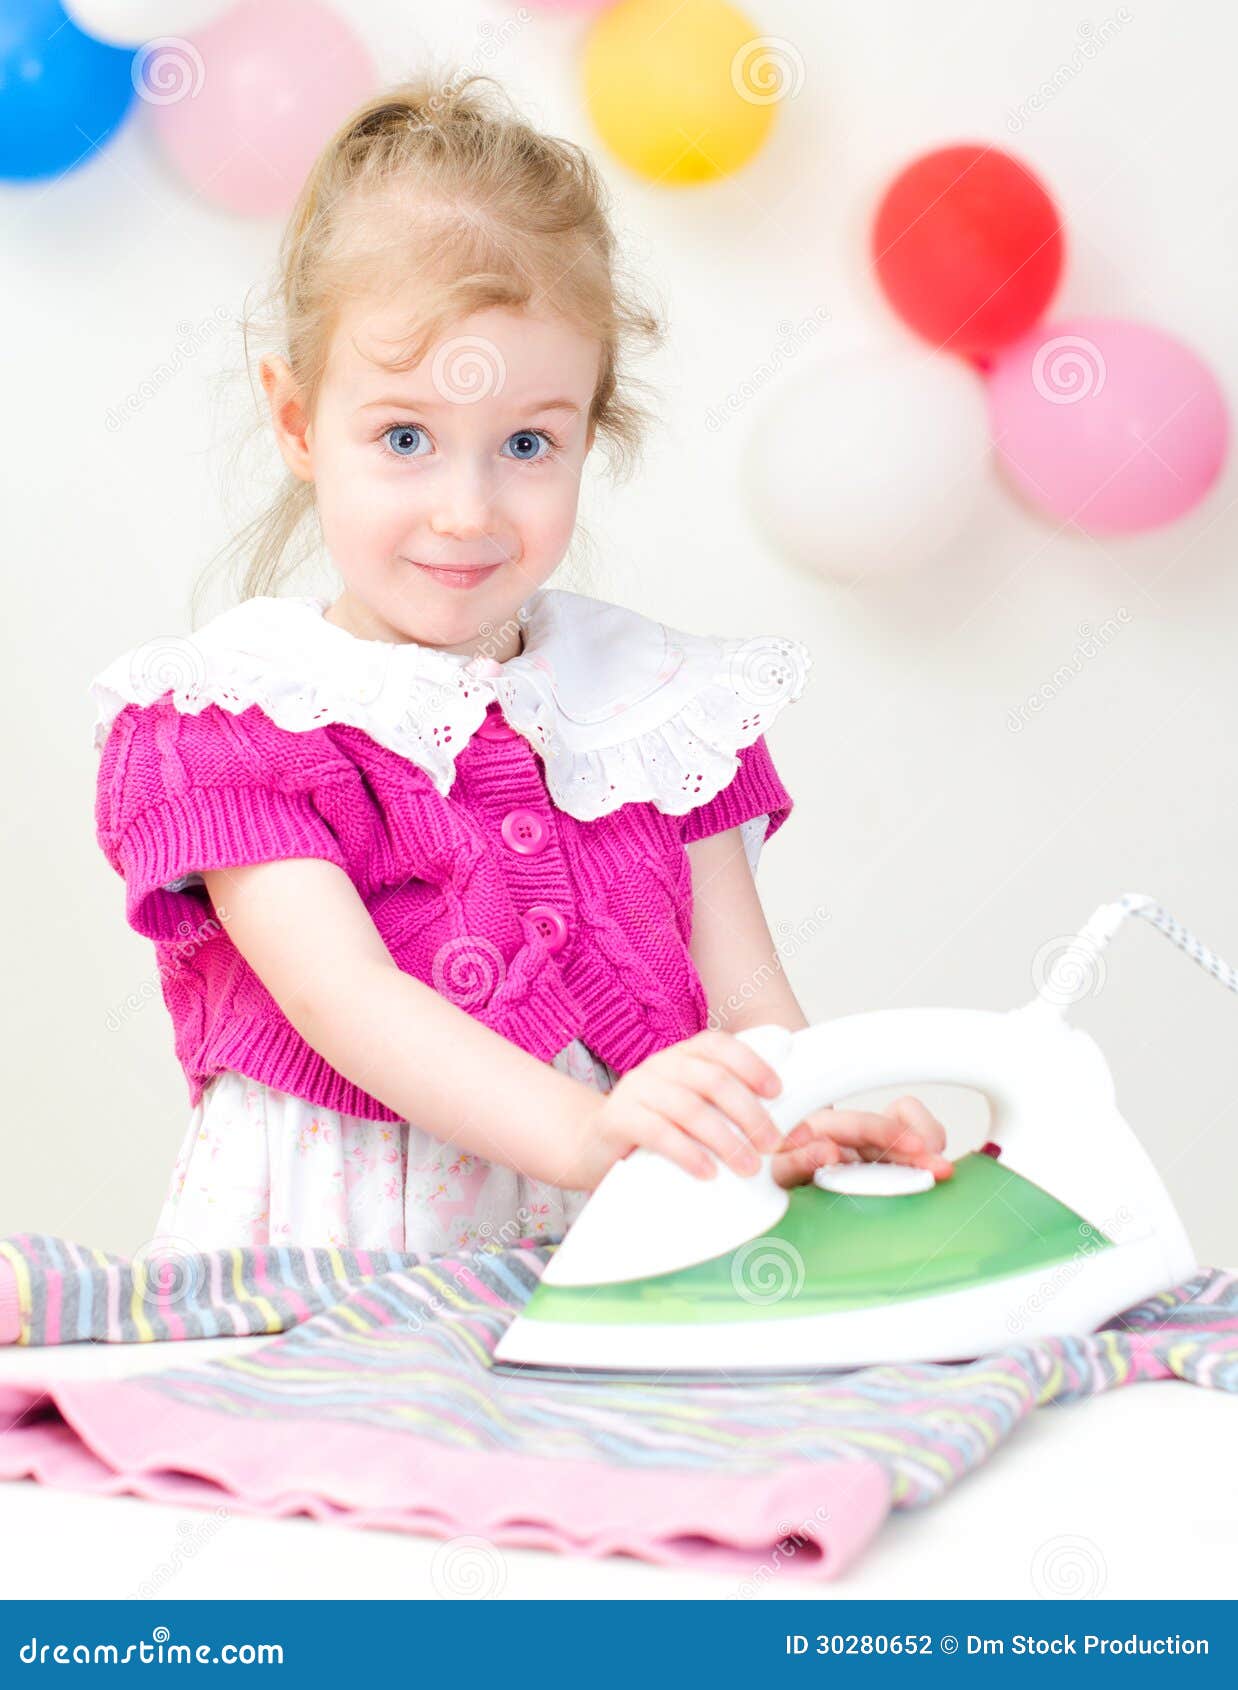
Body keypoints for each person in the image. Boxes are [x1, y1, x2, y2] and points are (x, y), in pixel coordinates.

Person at [90, 73, 952, 1256]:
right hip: (342, 1253)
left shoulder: (659, 708)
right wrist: (591, 1135)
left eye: (526, 444)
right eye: (403, 438)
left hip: (613, 1230)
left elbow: (750, 1005)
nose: (466, 510)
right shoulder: (235, 722)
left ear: (588, 428)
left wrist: (802, 1122)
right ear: (296, 422)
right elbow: (347, 1001)